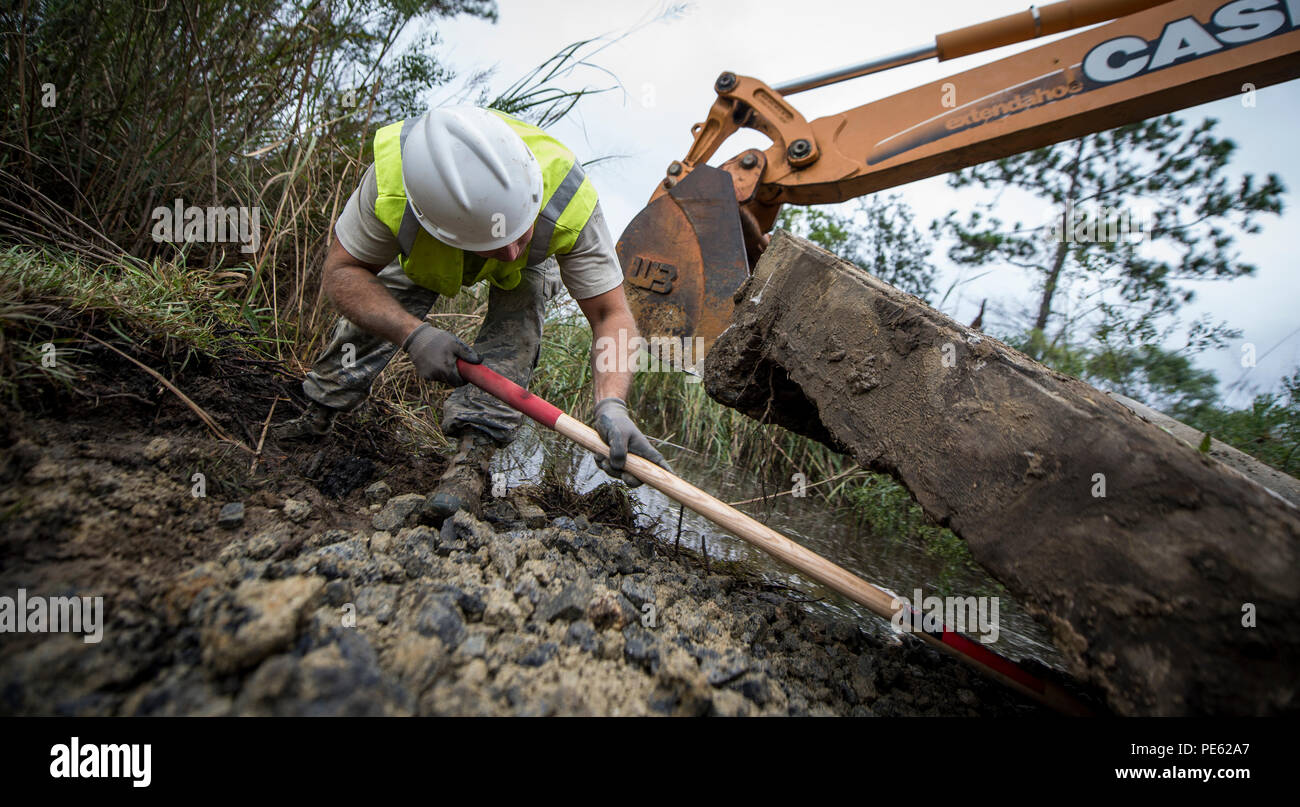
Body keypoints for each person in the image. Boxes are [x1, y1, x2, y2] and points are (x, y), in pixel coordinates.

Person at [275, 105, 665, 519]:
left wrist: (611, 404)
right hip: (429, 247)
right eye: (495, 242)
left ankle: (470, 464)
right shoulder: (393, 186)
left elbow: (610, 315)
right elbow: (342, 273)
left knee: (524, 300)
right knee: (390, 289)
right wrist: (413, 334)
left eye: (520, 231)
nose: (511, 252)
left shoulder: (568, 196)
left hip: (524, 258)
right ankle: (317, 410)